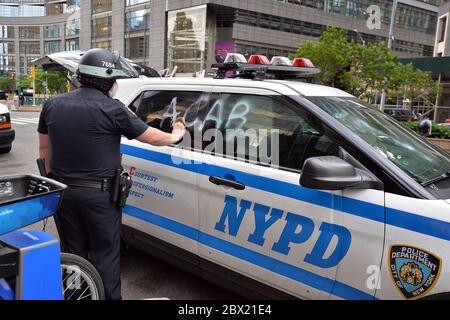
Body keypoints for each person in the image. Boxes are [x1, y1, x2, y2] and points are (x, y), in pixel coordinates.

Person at [37, 48, 186, 300]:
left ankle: (77, 296)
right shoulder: (113, 108)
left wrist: (53, 180)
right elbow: (151, 136)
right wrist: (176, 134)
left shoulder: (52, 104)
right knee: (105, 255)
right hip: (99, 197)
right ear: (109, 79)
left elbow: (43, 149)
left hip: (62, 193)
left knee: (73, 253)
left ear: (81, 75)